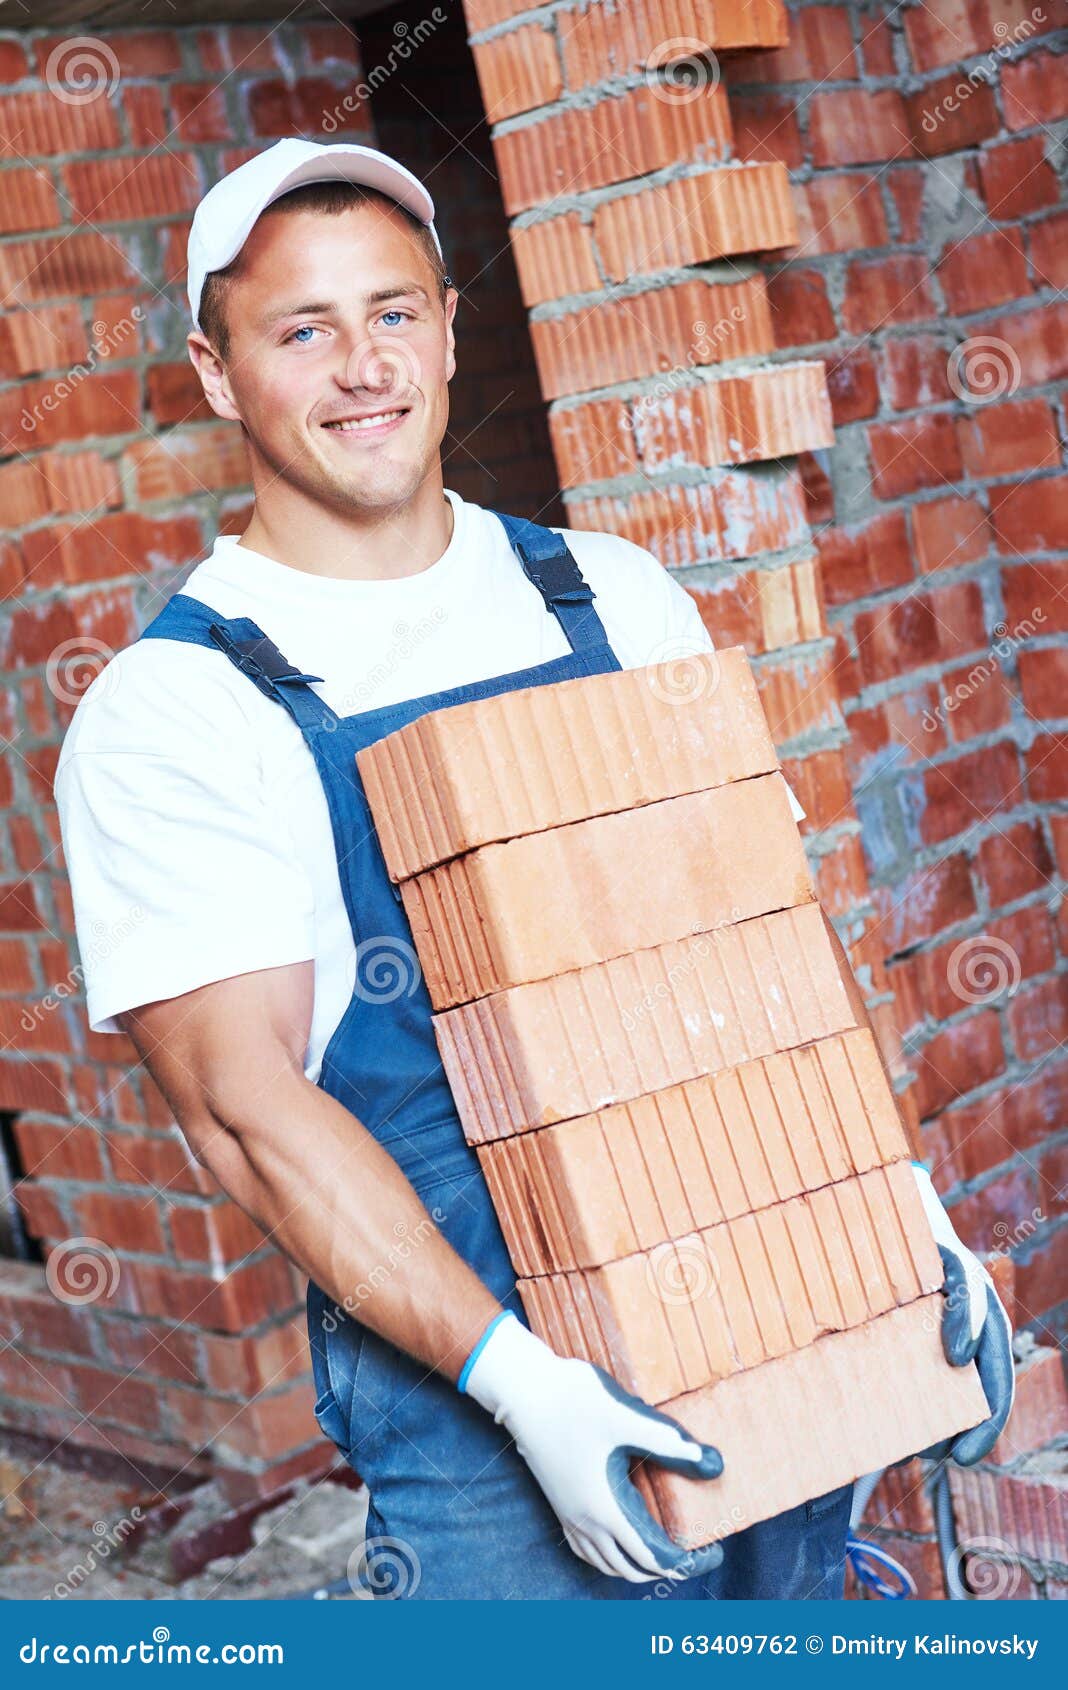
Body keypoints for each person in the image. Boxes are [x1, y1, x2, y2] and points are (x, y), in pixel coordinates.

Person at [54, 139, 1013, 1601]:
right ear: (213, 368)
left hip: (757, 1304)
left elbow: (759, 946)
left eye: (391, 312)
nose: (361, 365)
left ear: (449, 327)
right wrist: (525, 1386)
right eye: (301, 329)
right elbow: (245, 1111)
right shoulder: (180, 708)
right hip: (483, 1401)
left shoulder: (614, 595)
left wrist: (900, 1214)